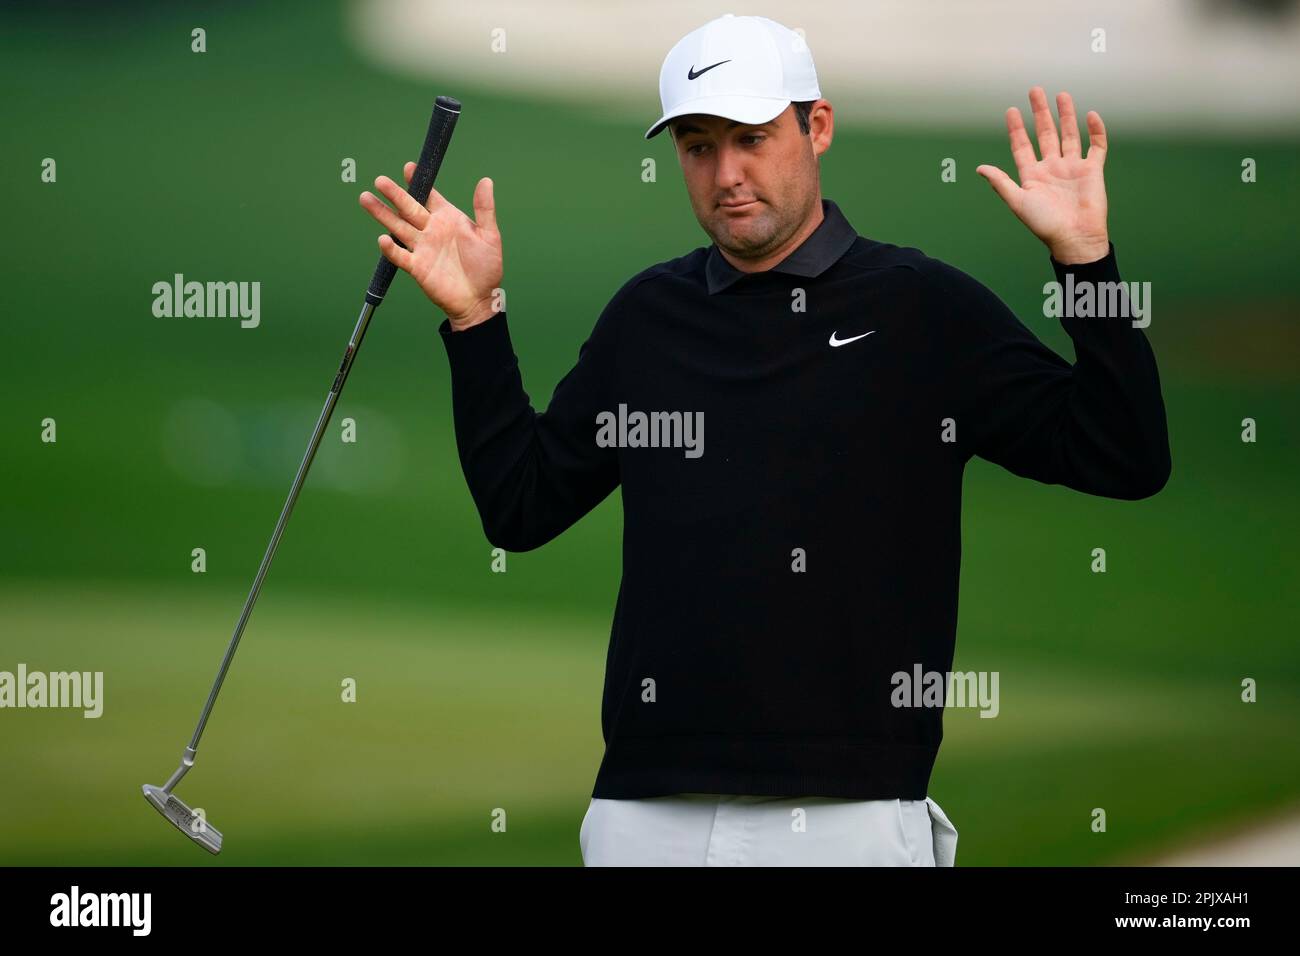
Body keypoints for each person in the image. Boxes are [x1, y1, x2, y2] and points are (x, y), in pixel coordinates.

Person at [357, 14, 1170, 866]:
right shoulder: (649, 318)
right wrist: (475, 319)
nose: (727, 173)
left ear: (816, 127)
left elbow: (1125, 457)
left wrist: (1087, 263)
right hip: (646, 808)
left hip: (850, 814)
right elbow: (520, 508)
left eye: (752, 138)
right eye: (699, 146)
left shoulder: (921, 308)